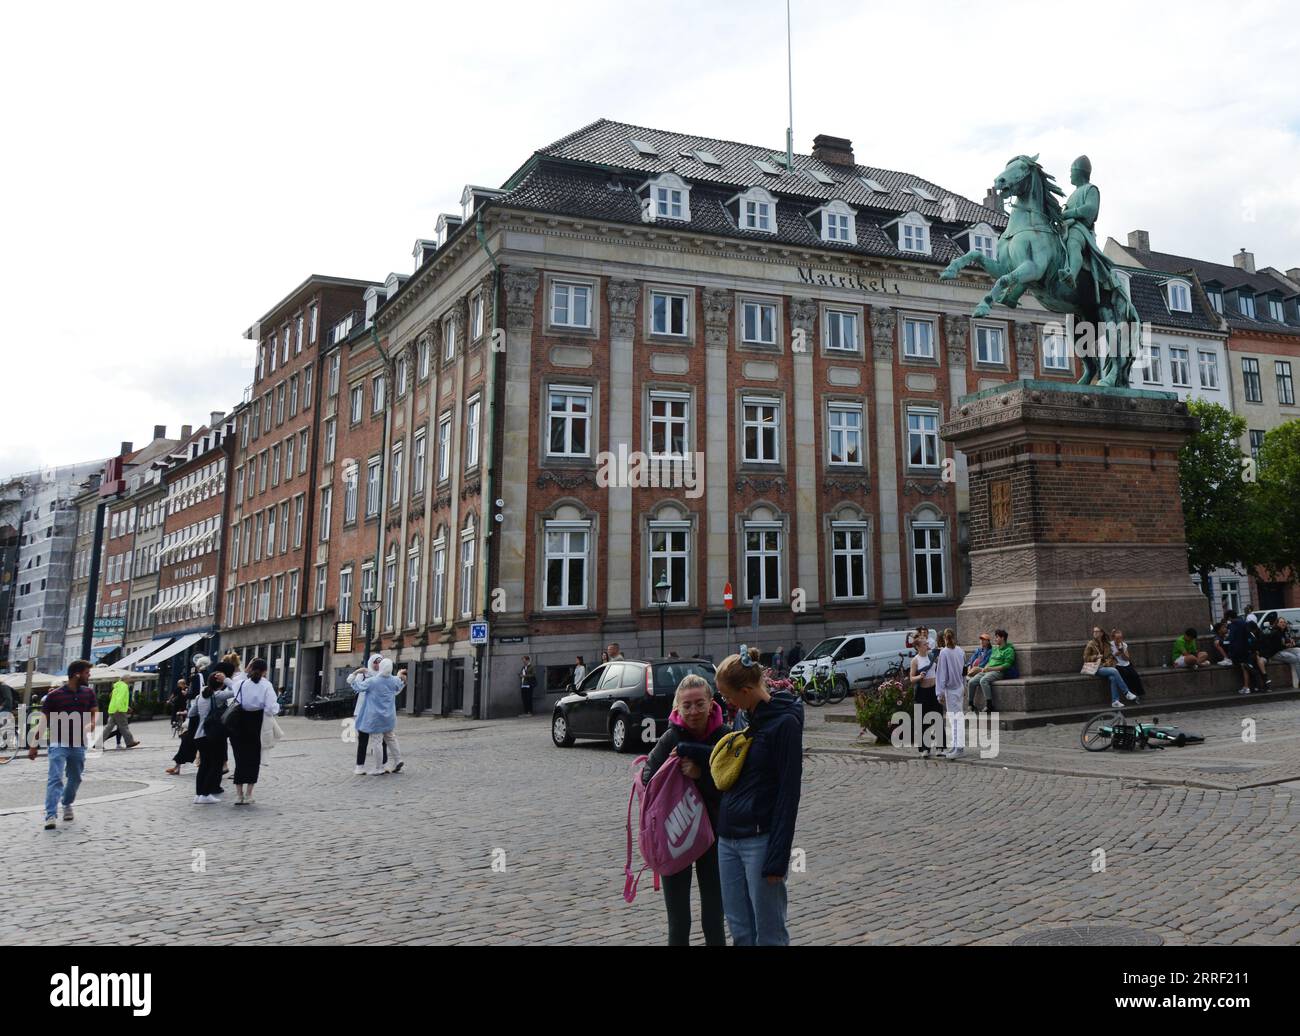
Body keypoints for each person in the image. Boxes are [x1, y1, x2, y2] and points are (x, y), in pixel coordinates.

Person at [714, 645, 802, 946]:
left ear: (748, 689)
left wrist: (778, 858)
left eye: (728, 696)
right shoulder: (744, 718)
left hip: (759, 840)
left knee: (769, 933)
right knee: (740, 932)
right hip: (728, 838)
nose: (726, 702)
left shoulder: (785, 724)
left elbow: (789, 794)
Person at [640, 674, 730, 946]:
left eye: (699, 704)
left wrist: (700, 774)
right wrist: (670, 773)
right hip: (675, 835)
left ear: (711, 703)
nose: (693, 712)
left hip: (714, 835)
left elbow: (733, 788)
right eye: (687, 705)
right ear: (677, 708)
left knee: (714, 917)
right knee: (679, 921)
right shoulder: (671, 737)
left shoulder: (725, 736)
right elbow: (647, 779)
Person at [29, 660, 98, 829]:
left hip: (78, 743)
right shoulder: (54, 696)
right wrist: (34, 744)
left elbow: (95, 714)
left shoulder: (88, 693)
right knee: (55, 778)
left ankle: (67, 803)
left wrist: (92, 724)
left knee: (75, 778)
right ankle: (51, 815)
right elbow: (44, 722)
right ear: (77, 674)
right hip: (58, 741)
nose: (89, 676)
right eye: (87, 673)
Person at [227, 657, 280, 805]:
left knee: (240, 759)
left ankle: (238, 794)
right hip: (256, 723)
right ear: (265, 671)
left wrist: (247, 669)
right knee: (253, 760)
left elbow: (235, 687)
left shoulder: (241, 683)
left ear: (250, 668)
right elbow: (271, 708)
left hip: (239, 723)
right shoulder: (266, 685)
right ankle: (249, 794)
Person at [348, 653, 403, 775]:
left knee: (376, 741)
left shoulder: (372, 681)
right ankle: (398, 760)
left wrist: (354, 674)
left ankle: (378, 768)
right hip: (388, 716)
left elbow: (357, 687)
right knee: (390, 739)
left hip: (373, 716)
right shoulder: (393, 680)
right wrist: (399, 676)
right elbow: (399, 685)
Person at [189, 669, 235, 803]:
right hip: (213, 735)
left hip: (199, 735)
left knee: (204, 765)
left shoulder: (200, 696)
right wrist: (226, 679)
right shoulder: (218, 695)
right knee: (215, 765)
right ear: (220, 684)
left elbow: (192, 713)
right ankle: (206, 793)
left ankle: (199, 794)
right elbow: (238, 691)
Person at [909, 626, 943, 756]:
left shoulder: (932, 657)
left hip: (934, 690)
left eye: (927, 643)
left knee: (938, 718)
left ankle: (940, 747)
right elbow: (911, 678)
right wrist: (919, 677)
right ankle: (925, 748)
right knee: (923, 720)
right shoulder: (915, 660)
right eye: (924, 644)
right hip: (922, 692)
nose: (927, 645)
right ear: (918, 647)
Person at [1084, 626, 1137, 708]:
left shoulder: (1106, 644)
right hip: (1095, 668)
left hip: (1105, 667)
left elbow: (1110, 656)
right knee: (1114, 671)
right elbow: (1085, 658)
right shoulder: (1090, 644)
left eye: (1097, 631)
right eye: (1094, 631)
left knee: (1113, 677)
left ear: (1102, 633)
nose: (1095, 633)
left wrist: (1107, 661)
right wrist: (1096, 657)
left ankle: (1115, 701)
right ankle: (1126, 692)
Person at [934, 629, 966, 759]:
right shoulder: (960, 651)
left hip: (951, 689)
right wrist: (964, 685)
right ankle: (956, 745)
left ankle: (959, 748)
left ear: (944, 639)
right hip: (959, 687)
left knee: (955, 719)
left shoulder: (944, 653)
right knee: (957, 718)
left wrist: (939, 692)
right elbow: (965, 670)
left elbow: (941, 674)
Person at [966, 629, 1014, 713]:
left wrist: (990, 669)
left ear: (1002, 638)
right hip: (988, 670)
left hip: (998, 672)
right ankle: (970, 704)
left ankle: (989, 705)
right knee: (971, 682)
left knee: (983, 680)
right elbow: (990, 661)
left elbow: (1007, 665)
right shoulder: (995, 649)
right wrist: (985, 667)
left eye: (997, 637)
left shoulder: (1009, 650)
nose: (995, 639)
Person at [1259, 617, 1300, 690]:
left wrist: (1291, 641)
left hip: (1283, 650)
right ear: (1277, 623)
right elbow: (1276, 647)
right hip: (1274, 653)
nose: (1283, 623)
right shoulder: (1275, 632)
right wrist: (1286, 645)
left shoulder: (1284, 631)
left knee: (1298, 650)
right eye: (1281, 622)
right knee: (1294, 659)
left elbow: (1286, 641)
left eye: (1284, 622)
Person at [101, 677, 141, 750]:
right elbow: (120, 698)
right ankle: (130, 742)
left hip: (112, 709)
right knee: (124, 726)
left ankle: (98, 743)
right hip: (119, 710)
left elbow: (112, 697)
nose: (131, 680)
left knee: (109, 727)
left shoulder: (117, 686)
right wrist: (119, 708)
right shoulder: (124, 686)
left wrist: (126, 707)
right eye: (130, 679)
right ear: (125, 679)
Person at [1109, 628, 1145, 700]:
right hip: (1117, 665)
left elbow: (1127, 658)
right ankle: (1130, 692)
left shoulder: (1124, 645)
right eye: (1117, 638)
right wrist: (1116, 654)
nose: (1119, 640)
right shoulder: (1110, 645)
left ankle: (1140, 693)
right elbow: (1108, 657)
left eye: (1121, 638)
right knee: (1124, 675)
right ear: (1113, 638)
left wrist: (1122, 653)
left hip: (1126, 663)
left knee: (1135, 675)